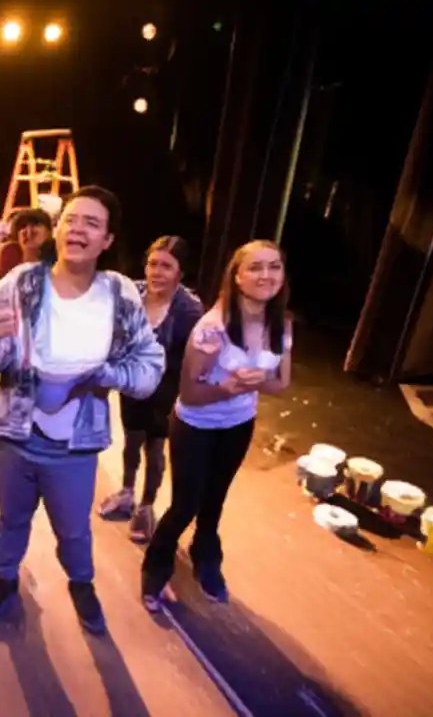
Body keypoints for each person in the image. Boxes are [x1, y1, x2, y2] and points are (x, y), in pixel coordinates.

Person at [0, 186, 165, 635]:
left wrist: (104, 375)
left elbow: (149, 365)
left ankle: (81, 584)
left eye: (92, 223)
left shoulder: (119, 293)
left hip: (75, 445)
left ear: (108, 240)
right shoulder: (23, 283)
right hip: (13, 435)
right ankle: (5, 578)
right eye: (71, 219)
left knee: (73, 530)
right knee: (11, 518)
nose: (78, 229)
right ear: (58, 228)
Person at [140, 239, 292, 610]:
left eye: (274, 266)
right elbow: (190, 394)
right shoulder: (213, 328)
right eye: (255, 267)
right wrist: (227, 388)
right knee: (185, 504)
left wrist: (259, 382)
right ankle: (156, 565)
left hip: (239, 424)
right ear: (237, 276)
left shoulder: (281, 324)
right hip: (196, 425)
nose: (266, 275)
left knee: (215, 499)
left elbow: (281, 383)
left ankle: (206, 555)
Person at [98, 236, 204, 543]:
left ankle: (146, 506)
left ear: (180, 273)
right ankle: (127, 492)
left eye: (166, 266)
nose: (157, 272)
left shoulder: (189, 309)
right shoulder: (132, 294)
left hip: (166, 388)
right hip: (131, 382)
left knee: (154, 449)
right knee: (131, 441)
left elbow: (192, 361)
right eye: (152, 264)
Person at [0, 207, 53, 303]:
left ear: (49, 232)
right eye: (23, 226)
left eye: (35, 224)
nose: (28, 231)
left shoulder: (59, 262)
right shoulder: (7, 259)